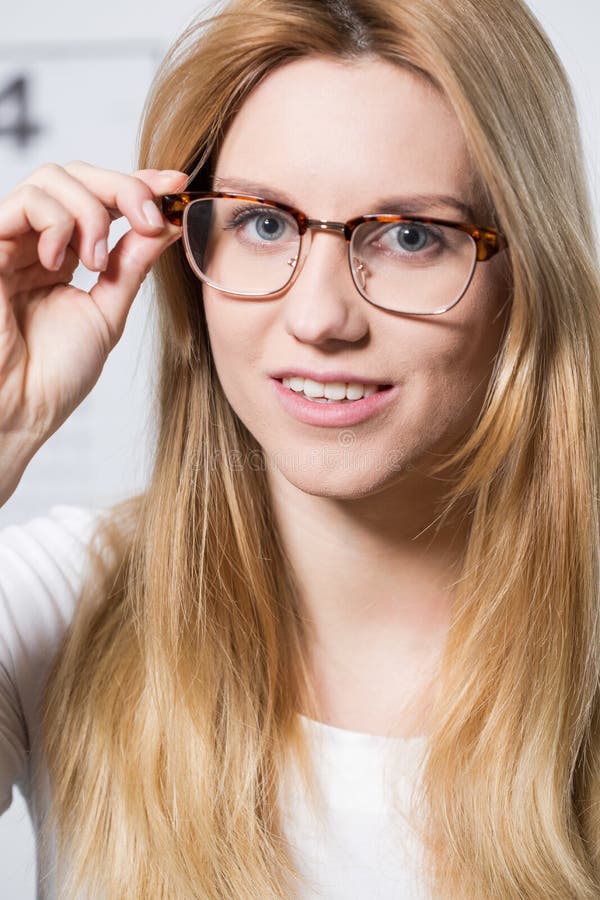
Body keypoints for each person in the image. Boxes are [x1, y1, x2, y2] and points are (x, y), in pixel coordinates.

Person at [0, 0, 599, 897]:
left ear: (528, 277)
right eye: (265, 223)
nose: (320, 318)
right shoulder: (57, 602)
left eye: (410, 236)